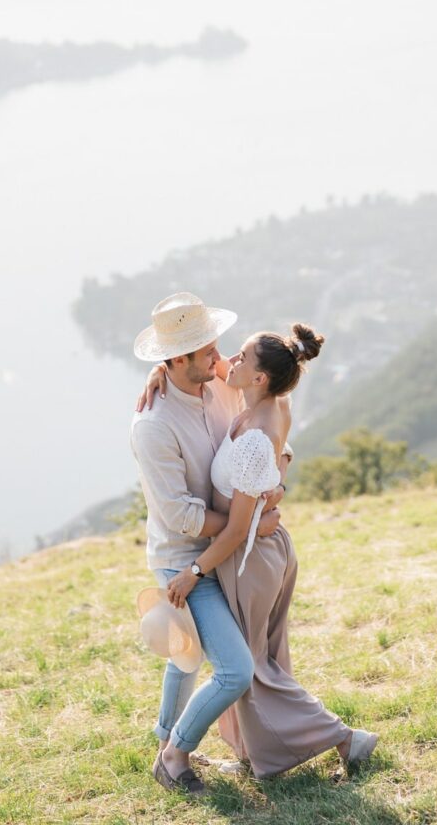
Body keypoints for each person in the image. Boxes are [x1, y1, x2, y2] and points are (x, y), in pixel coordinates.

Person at [160, 323, 379, 779]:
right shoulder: (274, 399)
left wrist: (194, 572)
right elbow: (206, 369)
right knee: (265, 658)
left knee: (256, 667)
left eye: (240, 358)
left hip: (249, 561)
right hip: (265, 551)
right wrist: (160, 373)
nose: (229, 363)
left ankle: (345, 739)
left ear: (259, 377)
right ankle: (256, 754)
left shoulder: (256, 437)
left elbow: (239, 530)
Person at [130, 293, 288, 796]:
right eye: (207, 352)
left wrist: (277, 477)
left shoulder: (218, 382)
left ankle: (165, 741)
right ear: (177, 360)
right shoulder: (153, 426)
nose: (220, 358)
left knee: (191, 656)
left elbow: (272, 410)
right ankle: (174, 756)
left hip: (228, 547)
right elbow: (179, 515)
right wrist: (245, 524)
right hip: (184, 557)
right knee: (234, 669)